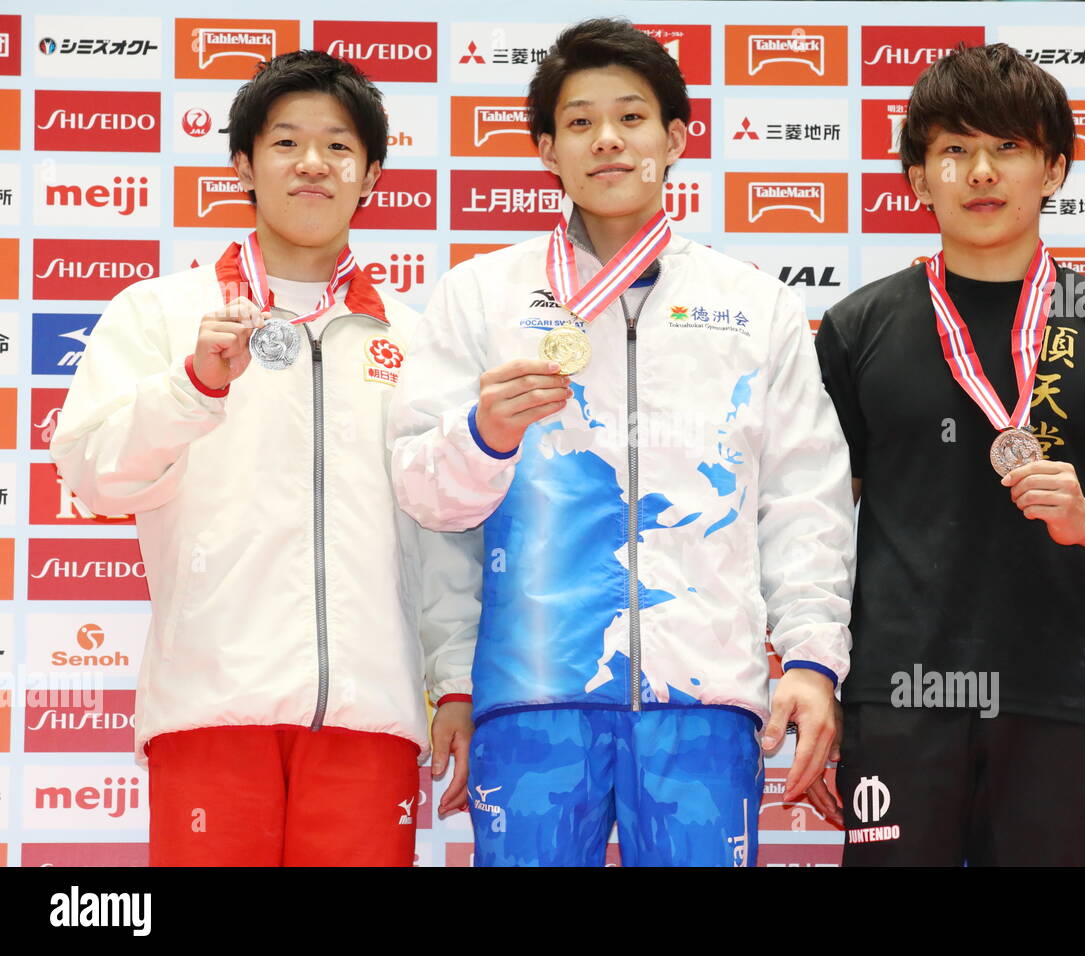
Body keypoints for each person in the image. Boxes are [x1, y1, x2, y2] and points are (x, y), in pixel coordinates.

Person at [389, 17, 854, 867]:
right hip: (530, 696)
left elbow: (805, 497)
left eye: (632, 117)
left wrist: (815, 660)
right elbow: (426, 497)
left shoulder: (754, 305)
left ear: (676, 139)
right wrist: (484, 437)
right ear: (545, 149)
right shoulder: (479, 297)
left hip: (704, 698)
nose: (607, 140)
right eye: (579, 122)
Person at [50, 50, 472, 866]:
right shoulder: (163, 313)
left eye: (339, 146)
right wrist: (194, 387)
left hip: (370, 718)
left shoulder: (415, 339)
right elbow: (94, 475)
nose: (312, 163)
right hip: (212, 709)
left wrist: (453, 680)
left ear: (372, 174)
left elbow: (444, 530)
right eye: (285, 142)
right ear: (242, 163)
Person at [812, 43, 1085, 866]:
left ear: (1054, 169)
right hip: (897, 698)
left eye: (1008, 147)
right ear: (919, 179)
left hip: (1052, 697)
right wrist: (814, 675)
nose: (981, 171)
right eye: (954, 150)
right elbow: (809, 526)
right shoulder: (856, 329)